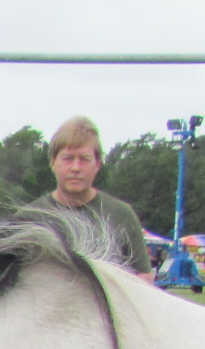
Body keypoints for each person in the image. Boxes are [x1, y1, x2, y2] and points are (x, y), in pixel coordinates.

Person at [20, 117, 149, 274]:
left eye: (84, 159)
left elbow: (144, 278)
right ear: (53, 162)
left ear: (97, 164)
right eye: (68, 158)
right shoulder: (28, 219)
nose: (76, 167)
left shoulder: (121, 215)